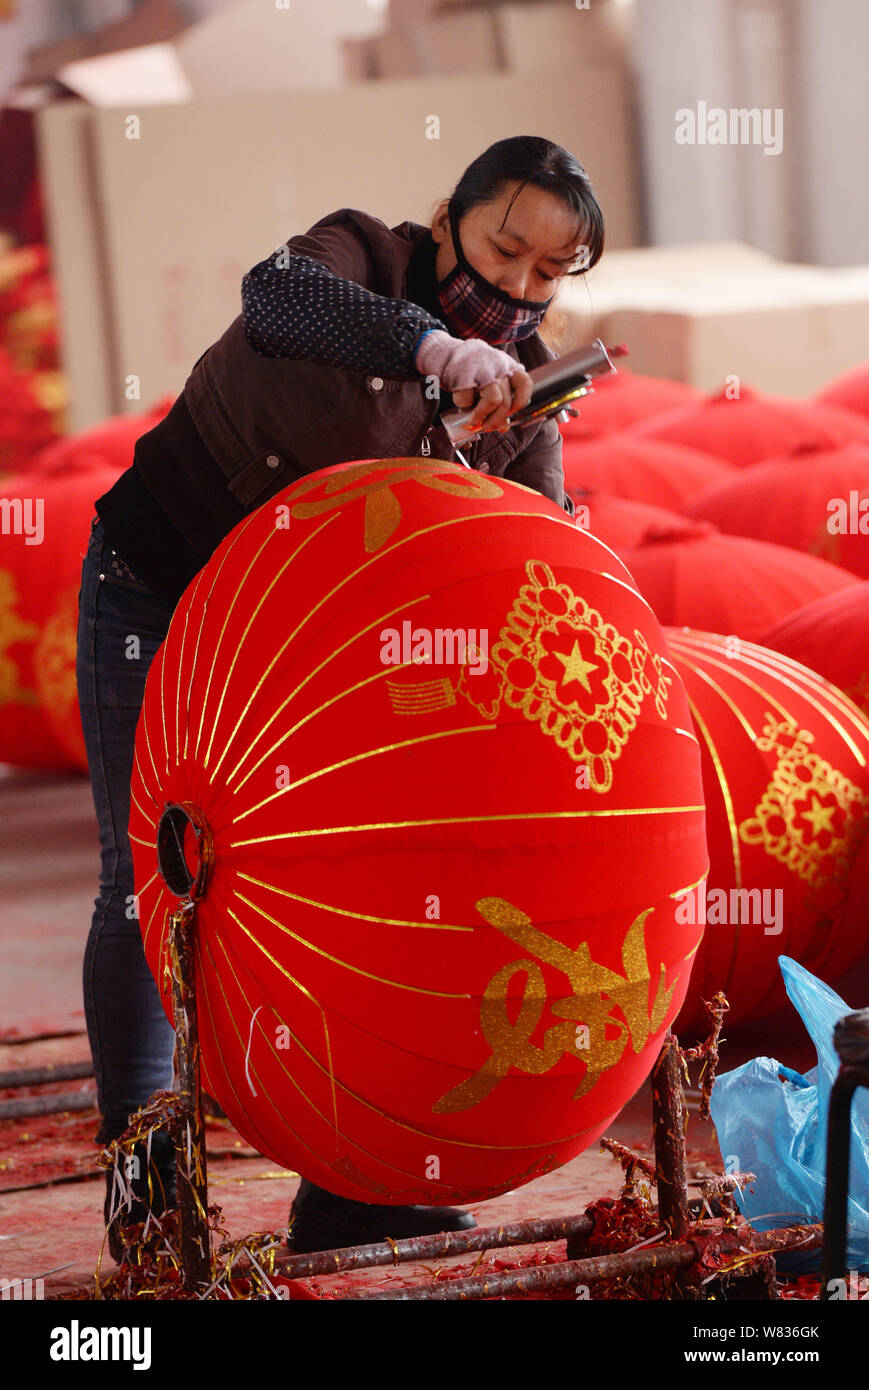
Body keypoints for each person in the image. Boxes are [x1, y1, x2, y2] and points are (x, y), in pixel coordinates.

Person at [76, 134, 605, 1260]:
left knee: (361, 886)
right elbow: (273, 299)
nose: (514, 287)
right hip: (159, 588)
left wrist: (566, 564)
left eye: (548, 274)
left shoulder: (524, 388)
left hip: (293, 667)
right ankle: (145, 1185)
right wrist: (427, 347)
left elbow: (532, 559)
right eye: (501, 247)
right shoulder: (356, 261)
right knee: (149, 882)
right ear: (446, 219)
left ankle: (357, 1179)